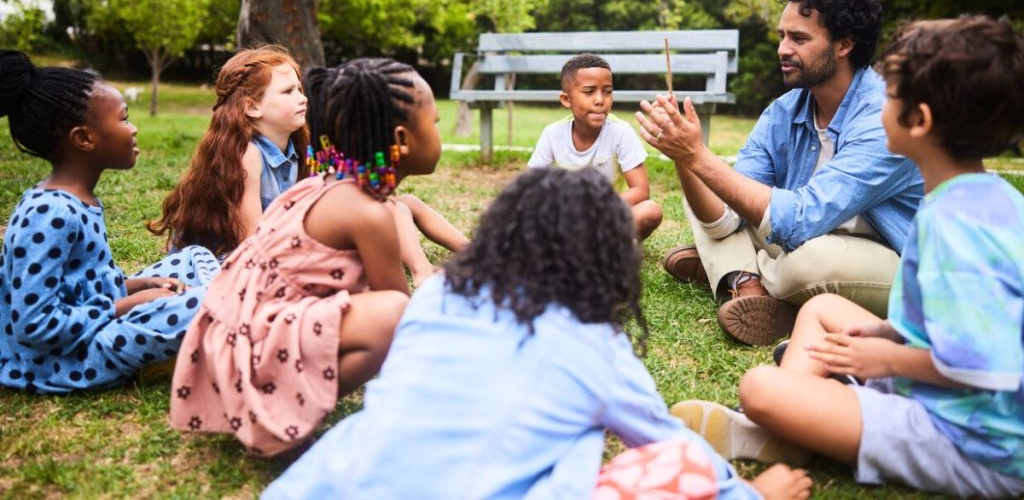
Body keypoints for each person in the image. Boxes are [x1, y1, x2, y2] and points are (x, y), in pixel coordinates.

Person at [261, 167, 812, 500]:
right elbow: (666, 441)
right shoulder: (594, 345)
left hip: (337, 480)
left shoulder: (436, 295)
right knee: (682, 462)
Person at [674, 17, 1024, 497]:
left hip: (973, 440)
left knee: (761, 388)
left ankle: (790, 426)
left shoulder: (954, 225)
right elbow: (978, 319)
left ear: (918, 121)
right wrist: (887, 333)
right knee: (821, 311)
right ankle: (799, 424)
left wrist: (887, 358)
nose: (877, 106)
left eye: (890, 96)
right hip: (947, 395)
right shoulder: (985, 198)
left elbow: (992, 365)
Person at [169, 57, 442, 457]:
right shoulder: (369, 213)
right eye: (434, 123)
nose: (438, 131)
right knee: (394, 314)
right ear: (401, 139)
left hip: (239, 335)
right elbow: (405, 329)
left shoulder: (331, 185)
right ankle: (280, 417)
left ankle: (285, 397)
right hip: (250, 351)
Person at [637, 0, 923, 345]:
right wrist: (688, 158)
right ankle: (749, 286)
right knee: (716, 182)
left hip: (893, 259)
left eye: (799, 38)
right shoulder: (783, 113)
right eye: (782, 36)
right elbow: (727, 217)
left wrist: (699, 158)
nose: (782, 49)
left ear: (844, 45)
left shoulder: (885, 116)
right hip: (802, 232)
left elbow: (802, 218)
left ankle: (731, 272)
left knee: (807, 263)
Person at [0, 51, 219, 394]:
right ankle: (222, 308)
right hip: (66, 360)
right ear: (84, 139)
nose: (133, 129)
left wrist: (140, 284)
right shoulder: (49, 212)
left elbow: (82, 285)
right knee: (205, 302)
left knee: (194, 256)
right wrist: (125, 306)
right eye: (124, 119)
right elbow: (34, 325)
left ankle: (219, 304)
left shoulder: (76, 200)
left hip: (94, 327)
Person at [148, 45, 309, 259]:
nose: (302, 98)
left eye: (299, 89)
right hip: (230, 261)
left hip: (273, 253)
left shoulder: (299, 151)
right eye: (288, 91)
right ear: (252, 107)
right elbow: (251, 242)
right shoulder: (248, 156)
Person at [528, 53, 663, 239]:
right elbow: (529, 186)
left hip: (606, 215)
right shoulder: (552, 134)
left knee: (650, 211)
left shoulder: (621, 132)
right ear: (567, 100)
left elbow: (640, 190)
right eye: (589, 91)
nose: (600, 100)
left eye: (607, 91)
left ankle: (597, 246)